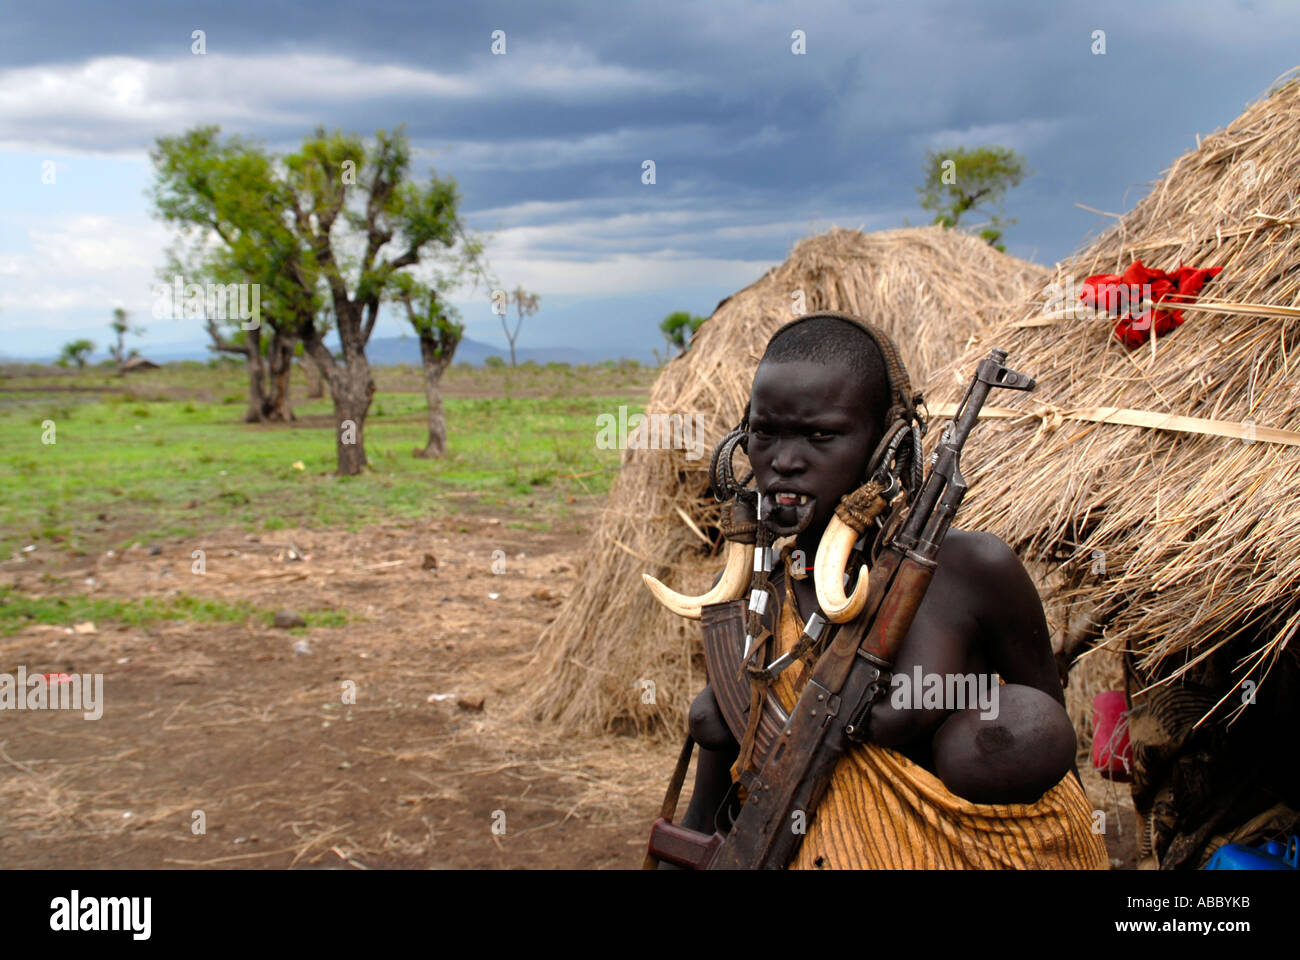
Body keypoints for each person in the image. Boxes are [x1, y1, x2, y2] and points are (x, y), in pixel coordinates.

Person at [662, 312, 1107, 869]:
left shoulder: (972, 570)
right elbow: (710, 800)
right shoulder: (760, 587)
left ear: (884, 444)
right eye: (764, 433)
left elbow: (1049, 750)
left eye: (821, 435)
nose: (784, 460)